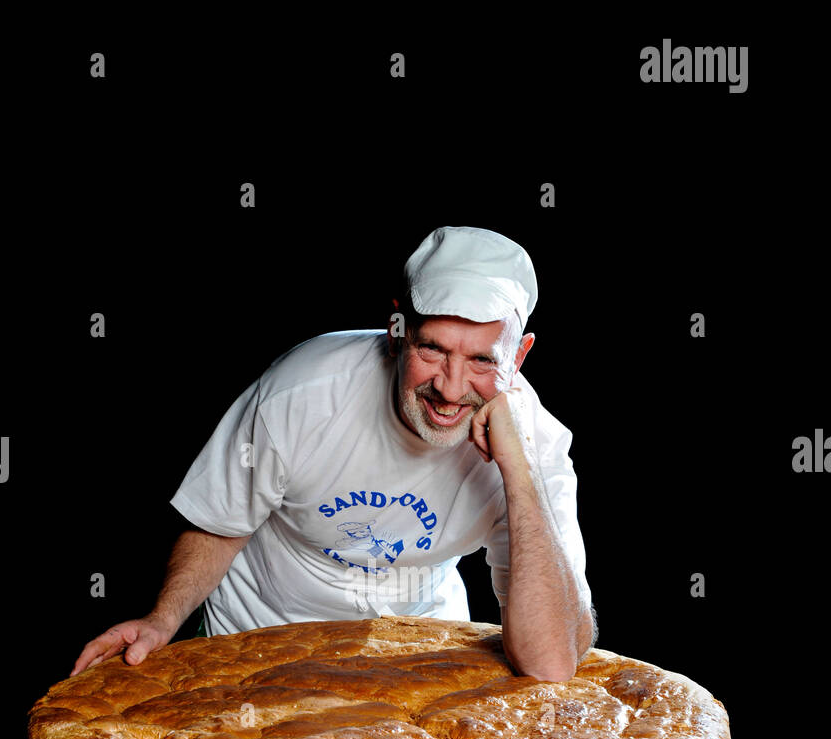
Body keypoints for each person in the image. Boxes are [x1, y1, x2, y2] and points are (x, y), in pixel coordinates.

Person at [72, 226, 595, 681]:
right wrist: (161, 621)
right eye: (432, 349)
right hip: (261, 641)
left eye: (482, 359)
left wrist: (518, 475)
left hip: (416, 650)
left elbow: (550, 664)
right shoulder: (302, 392)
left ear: (520, 356)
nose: (452, 388)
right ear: (397, 333)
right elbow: (221, 523)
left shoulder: (537, 446)